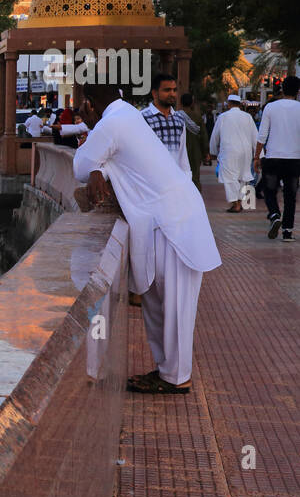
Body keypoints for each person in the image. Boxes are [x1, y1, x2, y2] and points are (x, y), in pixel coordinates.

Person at [74, 86, 221, 394]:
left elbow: (79, 166)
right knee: (156, 304)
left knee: (177, 308)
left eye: (79, 106)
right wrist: (100, 168)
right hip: (166, 219)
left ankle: (177, 378)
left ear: (88, 103)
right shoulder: (126, 113)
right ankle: (166, 371)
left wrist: (95, 163)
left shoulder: (110, 124)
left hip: (175, 222)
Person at [254, 74, 300, 241]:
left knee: (269, 191)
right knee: (290, 196)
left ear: (281, 89)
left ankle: (274, 215)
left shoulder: (271, 108)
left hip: (273, 158)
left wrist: (256, 157)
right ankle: (287, 232)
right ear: (298, 91)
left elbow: (262, 136)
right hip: (294, 160)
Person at [208, 94, 258, 213]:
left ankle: (235, 203)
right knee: (243, 177)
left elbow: (215, 136)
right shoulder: (248, 117)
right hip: (246, 152)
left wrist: (212, 151)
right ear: (239, 104)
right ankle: (240, 202)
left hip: (229, 151)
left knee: (230, 177)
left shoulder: (223, 117)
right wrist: (258, 155)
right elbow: (255, 136)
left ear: (229, 104)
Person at [141, 72, 190, 176]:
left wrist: (187, 177)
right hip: (151, 180)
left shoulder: (179, 119)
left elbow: (182, 153)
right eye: (167, 90)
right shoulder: (142, 118)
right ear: (154, 93)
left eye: (174, 90)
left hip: (175, 179)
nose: (172, 93)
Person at [176, 93, 206, 189]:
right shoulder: (197, 117)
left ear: (180, 103)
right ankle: (196, 200)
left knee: (179, 177)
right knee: (195, 178)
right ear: (192, 103)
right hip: (195, 153)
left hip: (178, 152)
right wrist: (206, 152)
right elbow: (204, 136)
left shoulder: (176, 116)